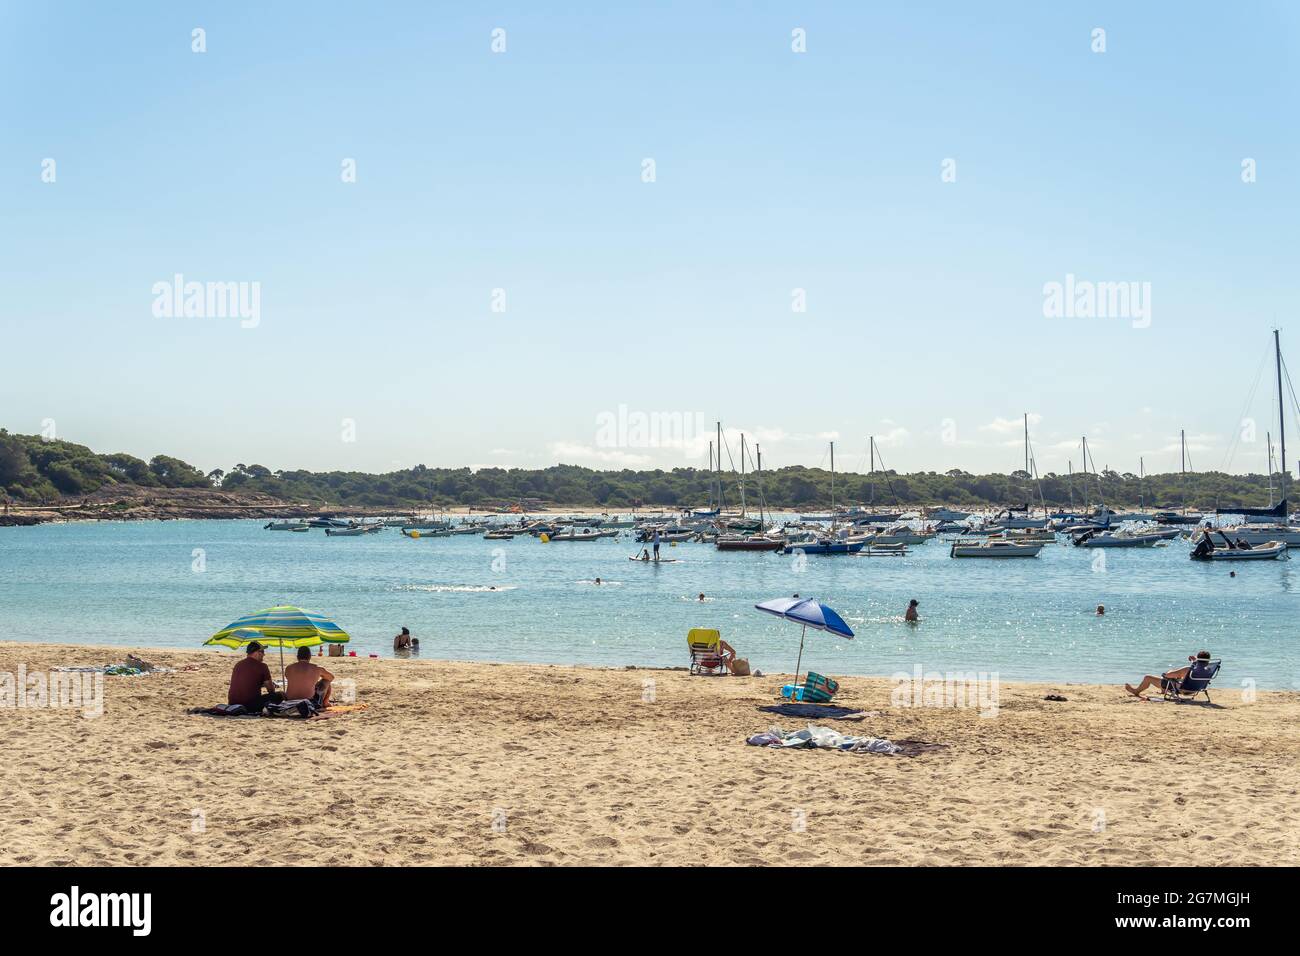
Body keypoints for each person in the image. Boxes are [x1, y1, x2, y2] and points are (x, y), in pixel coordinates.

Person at [1125, 651, 1213, 698]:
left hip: (1182, 690)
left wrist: (1165, 674)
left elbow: (1168, 676)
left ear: (1198, 659)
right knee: (1177, 675)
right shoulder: (1209, 670)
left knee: (1148, 677)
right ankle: (1163, 691)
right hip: (1195, 690)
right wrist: (1194, 662)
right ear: (1208, 660)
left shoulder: (1188, 669)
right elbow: (1198, 669)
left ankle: (1136, 691)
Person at [227, 642, 284, 711]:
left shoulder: (238, 664)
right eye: (262, 652)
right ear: (256, 652)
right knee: (280, 695)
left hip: (233, 704)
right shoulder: (262, 666)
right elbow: (270, 689)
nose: (264, 654)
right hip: (249, 705)